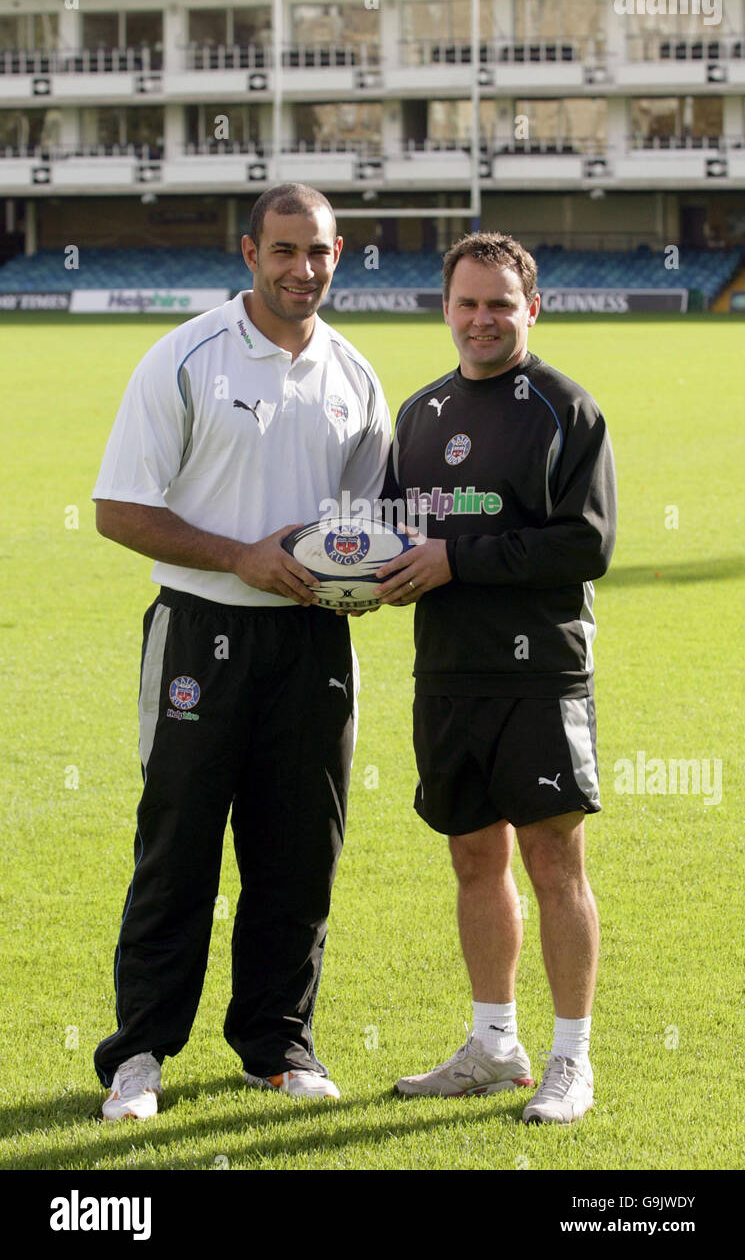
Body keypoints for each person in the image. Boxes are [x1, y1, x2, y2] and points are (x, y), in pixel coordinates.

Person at [92, 183, 391, 1118]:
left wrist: (359, 570)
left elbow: (367, 516)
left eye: (320, 253)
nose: (303, 270)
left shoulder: (354, 373)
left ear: (339, 254)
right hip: (199, 632)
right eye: (284, 250)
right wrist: (242, 557)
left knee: (300, 849)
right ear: (248, 251)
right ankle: (139, 1054)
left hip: (313, 640)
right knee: (178, 846)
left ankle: (278, 1044)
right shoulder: (186, 357)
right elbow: (119, 510)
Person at [375, 232, 616, 1125]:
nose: (481, 320)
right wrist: (364, 577)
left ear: (531, 309)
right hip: (445, 673)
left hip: (540, 675)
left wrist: (453, 562)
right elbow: (403, 535)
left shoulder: (563, 410)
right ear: (445, 309)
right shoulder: (420, 414)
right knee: (473, 856)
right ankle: (492, 1043)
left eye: (499, 305)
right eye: (467, 304)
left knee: (553, 862)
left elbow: (585, 544)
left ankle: (570, 1059)